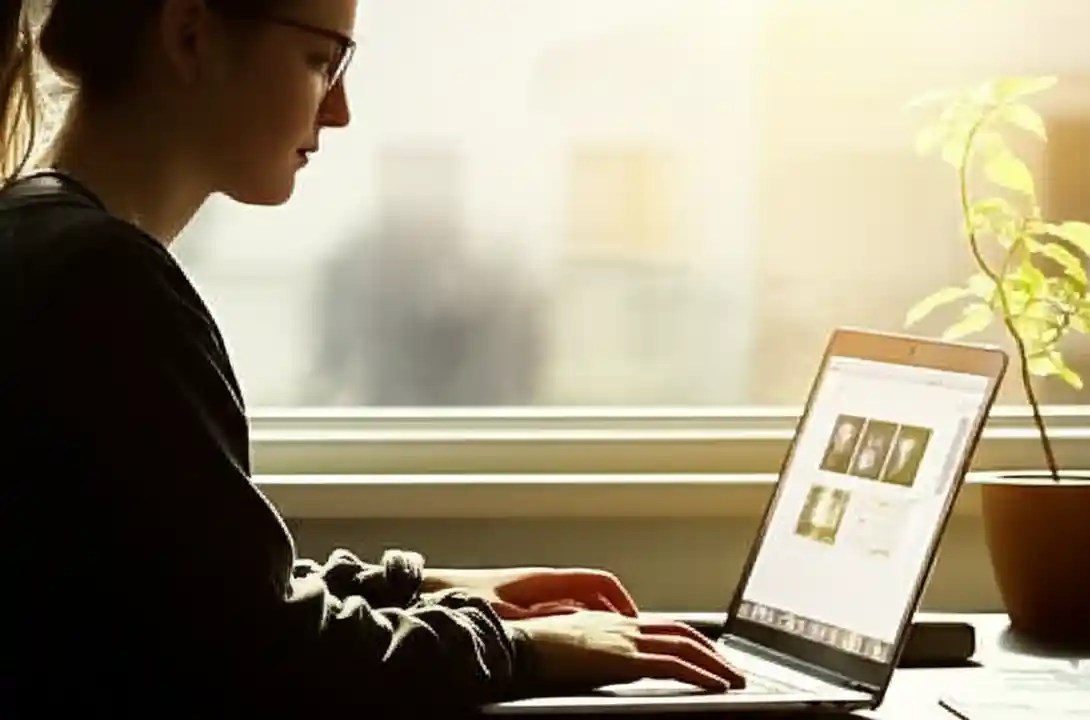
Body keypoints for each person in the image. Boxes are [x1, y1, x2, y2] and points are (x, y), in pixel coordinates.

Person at [0, 1, 744, 716]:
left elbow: (187, 591)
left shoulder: (44, 245)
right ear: (191, 34)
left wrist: (423, 590)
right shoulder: (102, 285)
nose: (340, 108)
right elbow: (263, 653)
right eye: (321, 58)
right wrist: (519, 647)